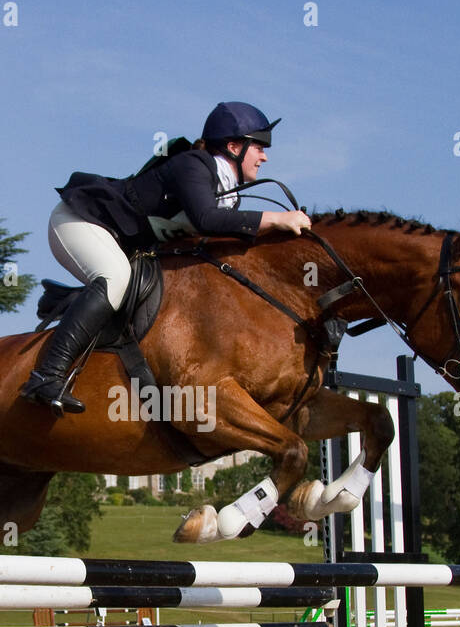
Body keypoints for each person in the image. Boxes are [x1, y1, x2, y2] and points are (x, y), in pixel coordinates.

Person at [20, 101, 313, 414]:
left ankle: (73, 301)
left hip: (120, 241)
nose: (265, 157)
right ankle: (45, 375)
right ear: (233, 146)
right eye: (260, 147)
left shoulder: (230, 196)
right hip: (78, 221)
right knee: (114, 277)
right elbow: (205, 219)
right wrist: (277, 219)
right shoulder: (194, 165)